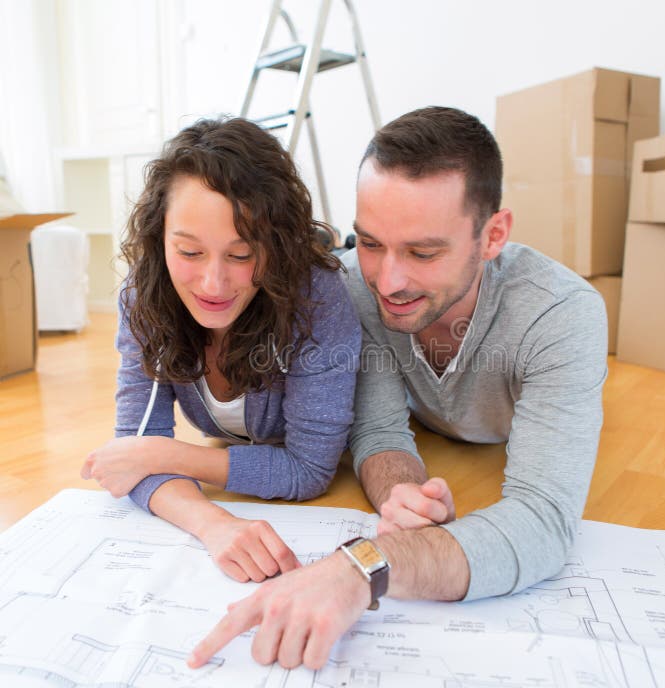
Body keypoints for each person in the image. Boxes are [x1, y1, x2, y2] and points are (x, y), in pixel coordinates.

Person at [188, 106, 607, 670]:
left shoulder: (561, 316)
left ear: (493, 235)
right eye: (370, 243)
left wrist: (363, 566)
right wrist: (402, 500)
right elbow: (381, 428)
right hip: (431, 430)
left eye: (423, 252)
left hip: (511, 425)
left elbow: (543, 519)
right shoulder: (353, 286)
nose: (388, 281)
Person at [80, 117, 361, 584]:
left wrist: (164, 455)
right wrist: (214, 524)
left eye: (240, 255)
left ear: (276, 247)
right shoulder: (143, 296)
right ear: (159, 239)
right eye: (189, 253)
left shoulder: (320, 296)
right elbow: (133, 456)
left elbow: (307, 469)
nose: (213, 284)